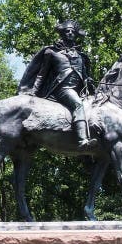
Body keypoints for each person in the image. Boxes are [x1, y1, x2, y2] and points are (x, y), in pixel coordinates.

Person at [18, 19, 96, 149]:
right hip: (62, 90)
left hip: (80, 91)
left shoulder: (82, 56)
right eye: (67, 31)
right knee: (78, 105)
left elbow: (85, 75)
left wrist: (88, 80)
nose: (70, 33)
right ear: (62, 33)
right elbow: (42, 74)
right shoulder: (52, 52)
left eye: (72, 31)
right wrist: (33, 93)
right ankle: (83, 140)